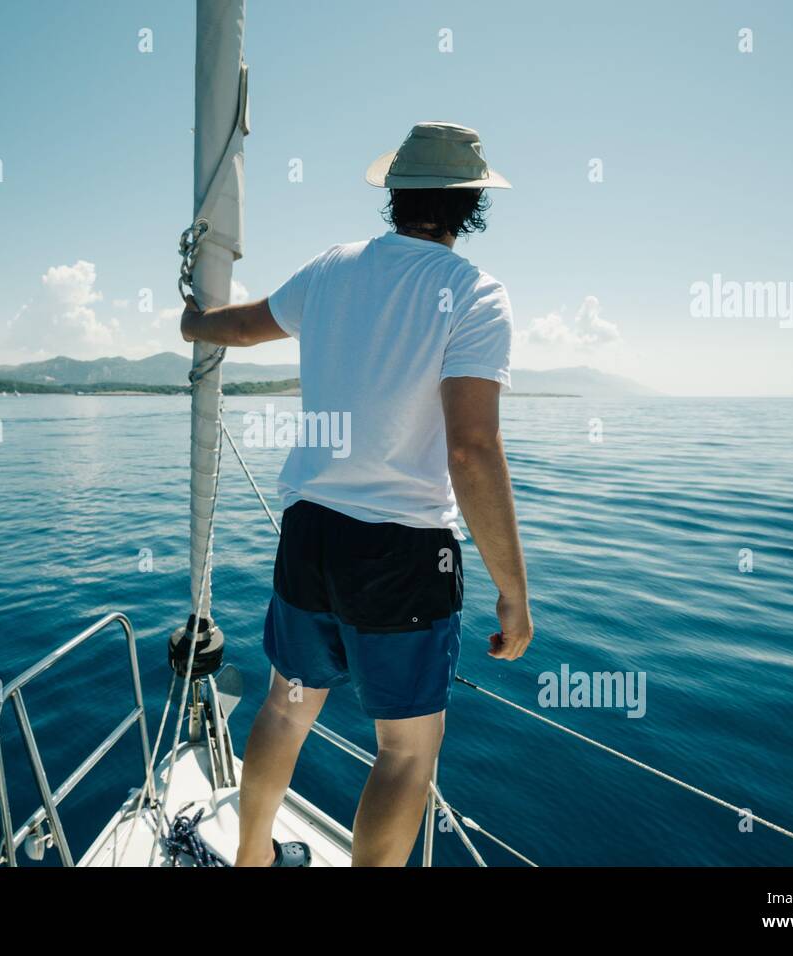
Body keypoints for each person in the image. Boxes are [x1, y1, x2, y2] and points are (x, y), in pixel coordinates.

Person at [180, 121, 533, 867]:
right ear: (471, 205)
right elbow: (471, 450)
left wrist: (194, 322)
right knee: (405, 753)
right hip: (403, 547)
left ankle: (252, 859)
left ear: (395, 194)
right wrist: (513, 591)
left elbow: (240, 328)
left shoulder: (333, 268)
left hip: (310, 531)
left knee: (286, 703)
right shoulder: (475, 293)